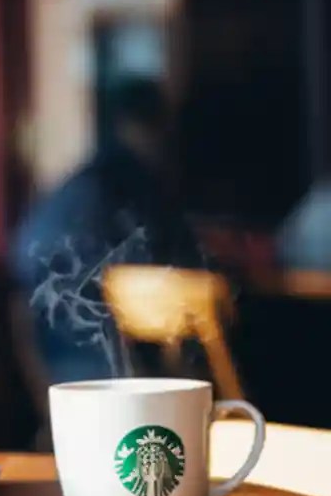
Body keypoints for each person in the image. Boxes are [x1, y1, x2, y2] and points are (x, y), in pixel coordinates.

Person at [12, 77, 205, 383]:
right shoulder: (127, 182)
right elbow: (162, 275)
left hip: (51, 349)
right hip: (92, 354)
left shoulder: (88, 180)